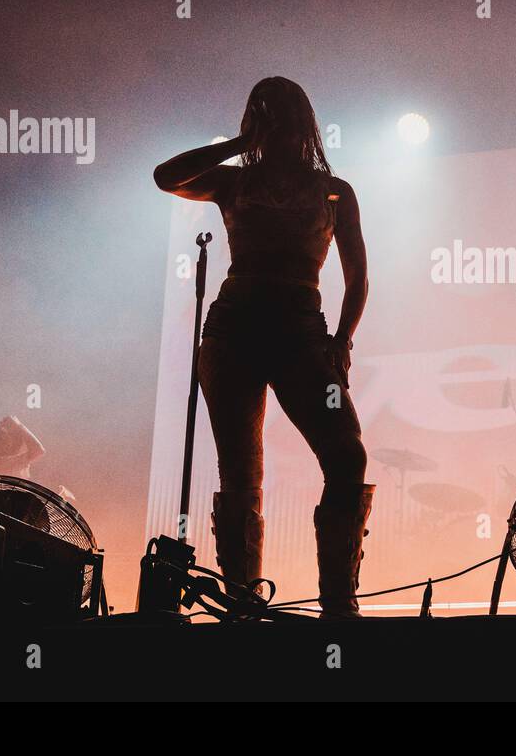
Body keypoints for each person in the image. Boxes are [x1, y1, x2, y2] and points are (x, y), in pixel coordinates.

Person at [153, 76, 373, 619]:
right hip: (233, 330)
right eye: (261, 116)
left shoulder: (334, 190)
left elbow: (358, 274)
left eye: (278, 116)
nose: (272, 128)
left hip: (301, 331)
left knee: (346, 454)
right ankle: (243, 603)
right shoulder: (233, 182)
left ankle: (338, 602)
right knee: (241, 471)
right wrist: (237, 142)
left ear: (302, 122)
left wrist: (342, 341)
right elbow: (165, 177)